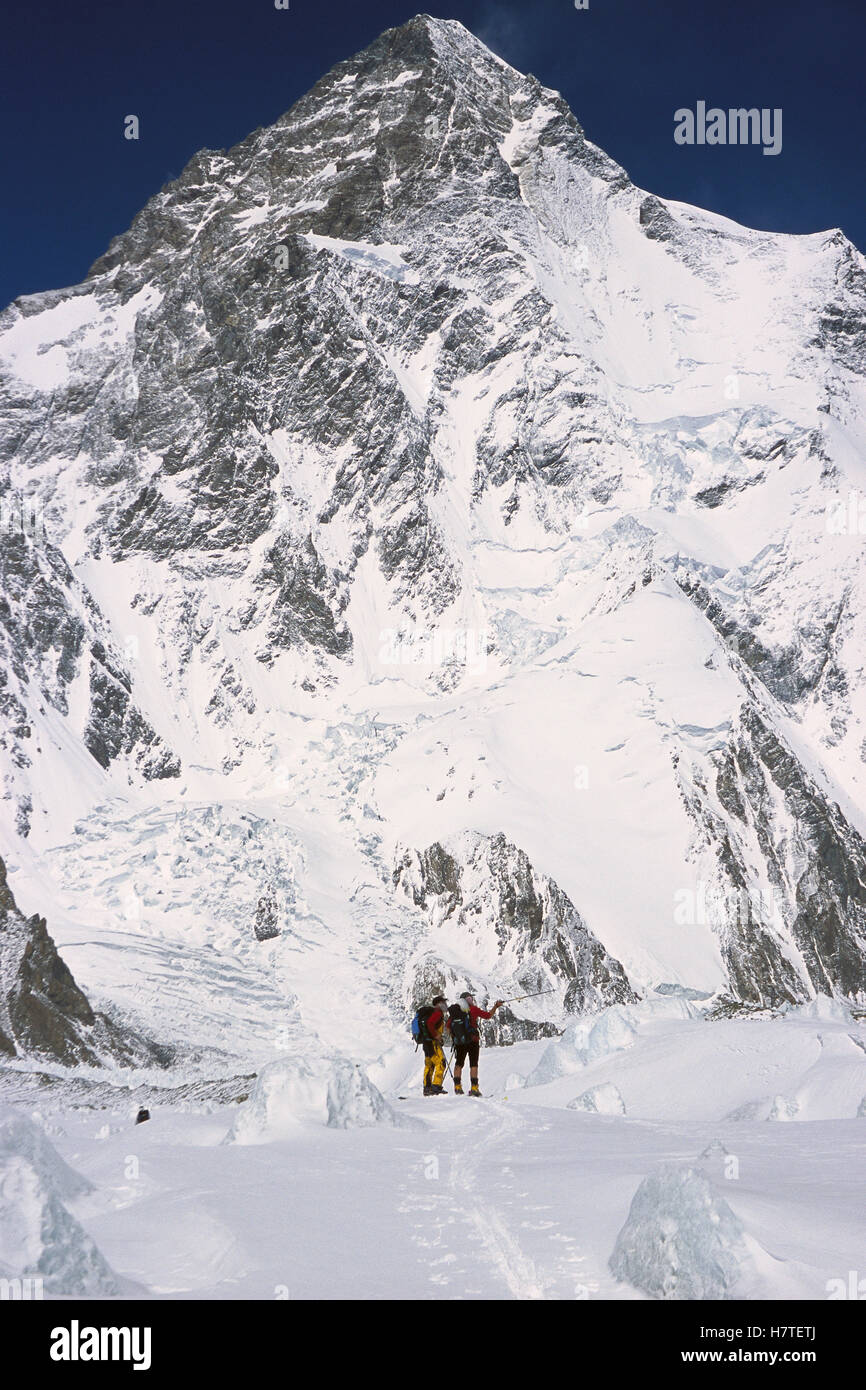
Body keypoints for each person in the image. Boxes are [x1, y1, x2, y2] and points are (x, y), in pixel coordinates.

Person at [450, 991, 503, 1096]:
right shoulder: (473, 1009)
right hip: (473, 1040)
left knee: (459, 1064)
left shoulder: (455, 1012)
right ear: (468, 1000)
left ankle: (457, 1087)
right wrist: (496, 1006)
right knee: (473, 1064)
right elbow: (488, 1015)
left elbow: (449, 1026)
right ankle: (474, 1088)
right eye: (471, 998)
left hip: (460, 1042)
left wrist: (456, 1038)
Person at [422, 995, 449, 1095]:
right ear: (439, 1004)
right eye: (444, 1002)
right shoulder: (438, 1013)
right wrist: (437, 1035)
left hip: (426, 1042)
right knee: (441, 1062)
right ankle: (436, 1086)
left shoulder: (432, 1012)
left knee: (429, 1064)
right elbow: (430, 1024)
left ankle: (427, 1088)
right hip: (433, 1042)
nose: (445, 1004)